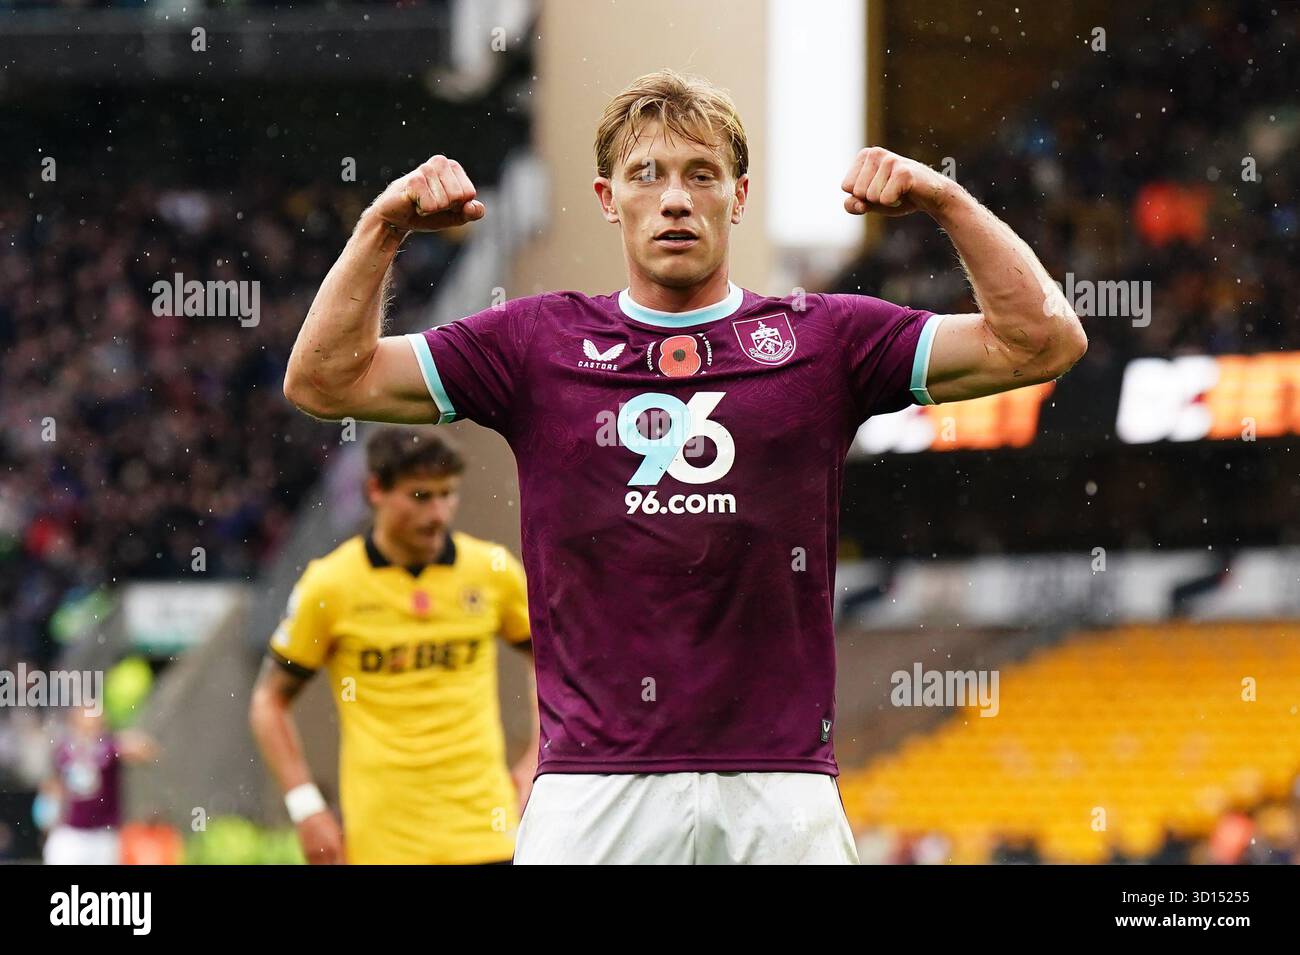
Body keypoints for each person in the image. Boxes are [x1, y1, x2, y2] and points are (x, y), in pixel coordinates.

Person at [283, 69, 1087, 863]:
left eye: (702, 174)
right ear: (608, 199)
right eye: (648, 175)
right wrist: (382, 227)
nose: (675, 198)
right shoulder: (533, 345)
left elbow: (1043, 341)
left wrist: (944, 201)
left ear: (738, 196)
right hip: (593, 792)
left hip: (781, 789)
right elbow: (325, 379)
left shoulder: (826, 340)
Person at [249, 426, 537, 864]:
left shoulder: (491, 571)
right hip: (383, 842)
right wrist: (307, 808)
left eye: (447, 494)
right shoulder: (331, 584)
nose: (438, 513)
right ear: (376, 490)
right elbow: (269, 702)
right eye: (421, 497)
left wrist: (539, 759)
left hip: (488, 832)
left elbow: (554, 662)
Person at [41, 707, 157, 865]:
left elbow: (146, 752)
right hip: (71, 831)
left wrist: (127, 741)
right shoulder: (65, 750)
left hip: (103, 833)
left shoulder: (110, 746)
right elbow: (54, 786)